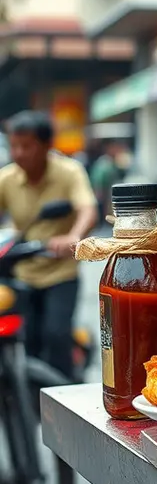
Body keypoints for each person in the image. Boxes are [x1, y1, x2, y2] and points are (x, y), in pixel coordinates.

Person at [0, 111, 98, 379]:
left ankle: (63, 397)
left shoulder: (69, 172)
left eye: (27, 146)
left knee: (55, 336)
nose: (19, 153)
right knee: (27, 340)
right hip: (24, 272)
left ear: (45, 145)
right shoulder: (6, 179)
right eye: (14, 146)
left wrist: (73, 237)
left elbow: (87, 209)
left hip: (60, 272)